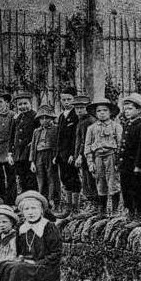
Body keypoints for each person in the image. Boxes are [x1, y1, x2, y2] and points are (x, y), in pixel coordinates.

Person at [0, 191, 62, 281]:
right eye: (26, 209)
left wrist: (37, 262)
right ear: (22, 212)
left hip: (46, 269)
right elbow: (21, 252)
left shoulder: (48, 227)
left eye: (34, 208)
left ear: (41, 210)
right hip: (27, 264)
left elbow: (56, 253)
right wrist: (20, 258)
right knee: (2, 266)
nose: (30, 212)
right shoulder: (22, 227)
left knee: (18, 269)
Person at [84, 99, 123, 216]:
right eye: (99, 111)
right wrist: (90, 163)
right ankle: (103, 210)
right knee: (100, 182)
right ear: (95, 113)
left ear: (110, 112)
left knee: (113, 182)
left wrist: (118, 162)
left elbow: (121, 144)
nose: (102, 113)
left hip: (112, 156)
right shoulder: (91, 128)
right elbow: (87, 146)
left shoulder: (116, 126)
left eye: (105, 110)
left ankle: (115, 210)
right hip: (98, 157)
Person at [118, 94, 141, 227]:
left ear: (139, 110)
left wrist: (138, 165)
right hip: (125, 164)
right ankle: (130, 213)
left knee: (137, 189)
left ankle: (138, 216)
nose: (127, 111)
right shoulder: (127, 125)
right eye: (125, 109)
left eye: (130, 109)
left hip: (136, 165)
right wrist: (119, 162)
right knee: (126, 188)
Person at [54, 87, 82, 215]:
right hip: (61, 154)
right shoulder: (61, 116)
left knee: (73, 178)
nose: (66, 102)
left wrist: (73, 154)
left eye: (69, 99)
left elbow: (76, 137)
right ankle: (68, 207)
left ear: (74, 100)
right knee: (64, 178)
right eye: (63, 99)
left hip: (71, 154)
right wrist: (56, 154)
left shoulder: (76, 116)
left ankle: (75, 208)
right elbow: (58, 137)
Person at [30, 105, 60, 212]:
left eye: (47, 118)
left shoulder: (56, 129)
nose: (44, 120)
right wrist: (32, 162)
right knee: (41, 178)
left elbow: (57, 144)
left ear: (51, 118)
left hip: (50, 155)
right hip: (39, 156)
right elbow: (33, 147)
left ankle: (54, 201)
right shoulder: (36, 131)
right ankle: (43, 201)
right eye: (41, 118)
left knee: (52, 177)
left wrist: (56, 156)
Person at [72, 95, 97, 214]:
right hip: (83, 156)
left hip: (89, 156)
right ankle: (91, 204)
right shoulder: (81, 121)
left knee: (90, 180)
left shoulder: (89, 121)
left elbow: (85, 141)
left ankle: (94, 206)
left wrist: (81, 156)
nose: (79, 110)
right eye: (77, 108)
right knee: (86, 179)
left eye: (82, 108)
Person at [11, 91, 39, 195]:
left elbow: (37, 134)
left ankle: (32, 197)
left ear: (30, 103)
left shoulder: (35, 116)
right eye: (20, 104)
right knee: (21, 177)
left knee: (31, 177)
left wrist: (32, 145)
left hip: (30, 152)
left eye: (25, 103)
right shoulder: (18, 118)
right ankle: (24, 197)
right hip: (19, 153)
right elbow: (12, 136)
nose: (23, 106)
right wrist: (11, 152)